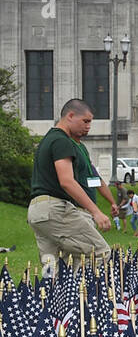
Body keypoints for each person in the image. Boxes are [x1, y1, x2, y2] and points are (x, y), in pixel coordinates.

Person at [27, 99, 116, 272]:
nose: (89, 126)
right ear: (70, 115)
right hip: (55, 209)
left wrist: (110, 200)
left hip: (37, 212)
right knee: (98, 253)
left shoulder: (49, 139)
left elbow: (94, 179)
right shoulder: (62, 141)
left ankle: (52, 297)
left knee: (52, 268)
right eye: (86, 121)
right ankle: (79, 297)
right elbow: (67, 181)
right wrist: (96, 212)